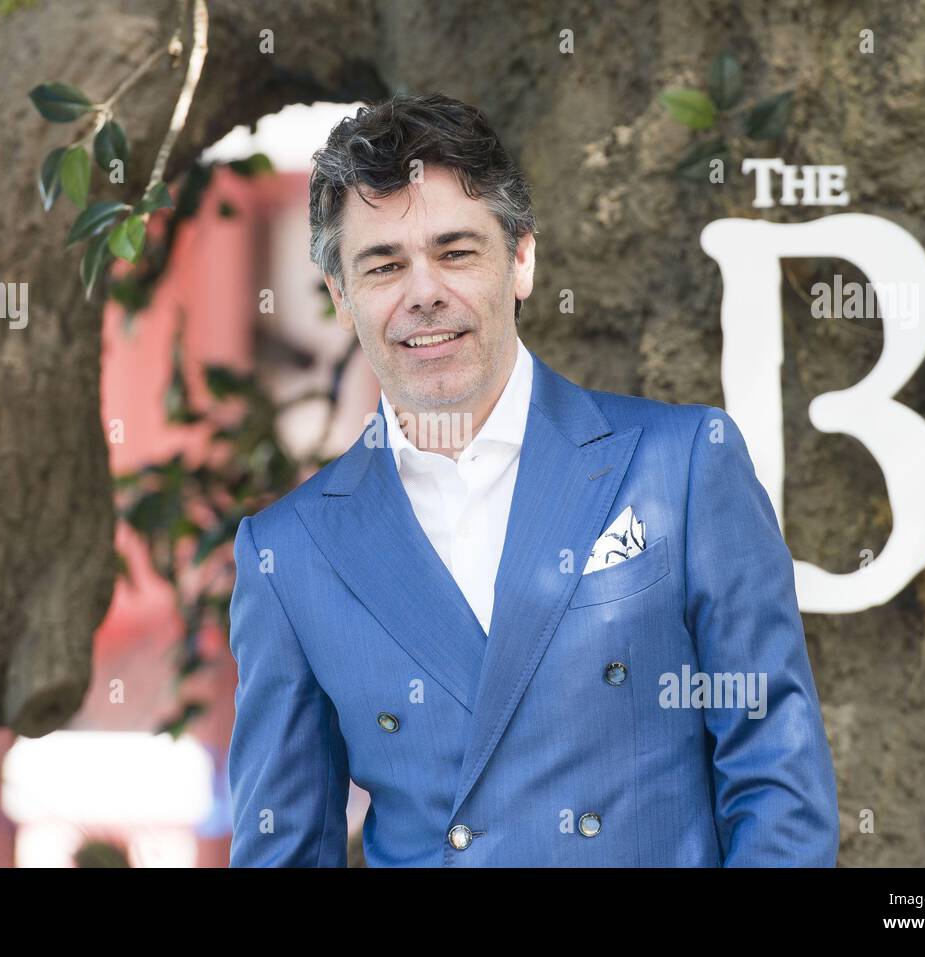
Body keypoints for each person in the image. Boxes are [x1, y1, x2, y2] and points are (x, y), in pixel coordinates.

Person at [226, 92, 839, 867]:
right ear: (342, 298)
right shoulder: (289, 554)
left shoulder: (682, 463)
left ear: (521, 259)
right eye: (383, 265)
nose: (423, 292)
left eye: (456, 252)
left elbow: (778, 785)